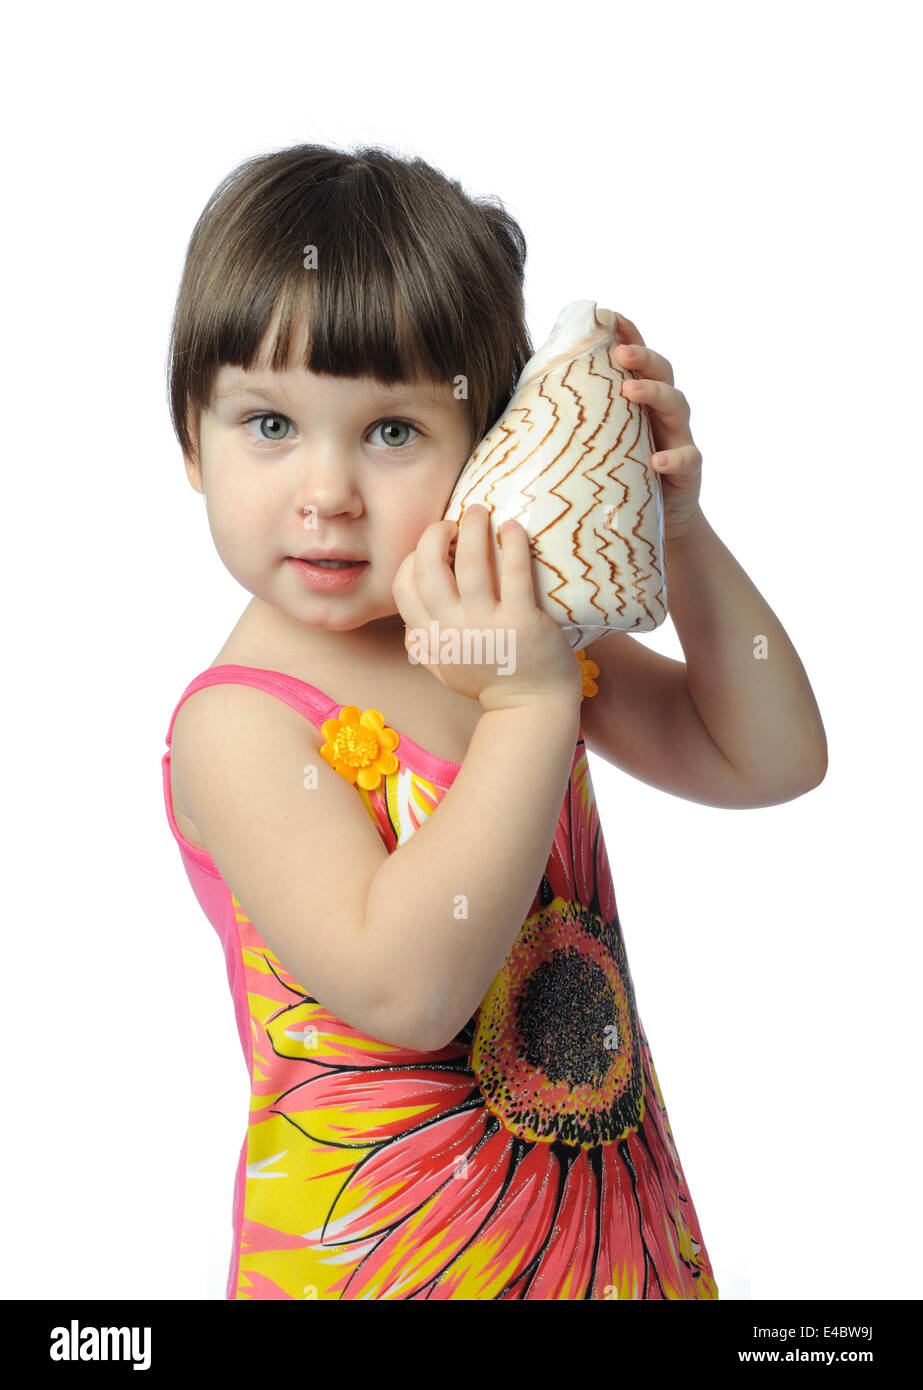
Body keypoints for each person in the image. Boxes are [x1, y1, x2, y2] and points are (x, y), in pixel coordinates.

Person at [161, 142, 827, 1301]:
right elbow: (405, 990)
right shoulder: (243, 729)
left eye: (390, 433)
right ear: (189, 436)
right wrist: (526, 700)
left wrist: (677, 531)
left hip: (606, 1249)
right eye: (269, 424)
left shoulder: (502, 619)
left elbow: (767, 756)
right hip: (394, 1263)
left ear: (486, 447)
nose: (325, 491)